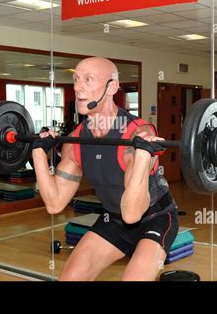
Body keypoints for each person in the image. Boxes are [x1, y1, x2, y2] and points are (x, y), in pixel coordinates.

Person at [31, 57, 178, 281]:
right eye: (76, 79)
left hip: (156, 217)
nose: (78, 87)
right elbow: (55, 203)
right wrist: (38, 153)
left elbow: (132, 214)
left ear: (112, 87)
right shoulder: (76, 140)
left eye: (88, 80)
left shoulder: (136, 134)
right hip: (114, 220)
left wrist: (142, 157)